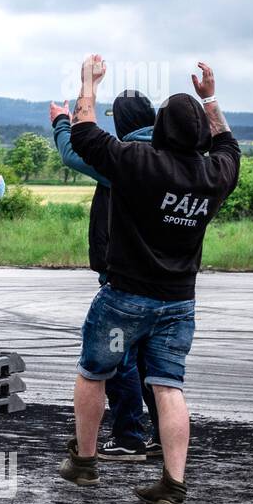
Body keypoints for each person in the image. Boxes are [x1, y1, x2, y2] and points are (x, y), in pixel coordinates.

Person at [57, 56, 240, 504]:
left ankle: (84, 461)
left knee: (94, 371)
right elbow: (228, 144)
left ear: (160, 130)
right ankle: (172, 484)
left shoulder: (136, 162)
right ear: (199, 133)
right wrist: (210, 98)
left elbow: (82, 135)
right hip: (179, 301)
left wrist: (88, 84)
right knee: (168, 385)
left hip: (124, 298)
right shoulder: (215, 174)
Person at [51, 90, 161, 461]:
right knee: (154, 363)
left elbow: (72, 153)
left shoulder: (124, 160)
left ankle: (129, 436)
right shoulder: (172, 158)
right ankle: (162, 434)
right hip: (164, 280)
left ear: (124, 122)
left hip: (122, 278)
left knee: (119, 358)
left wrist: (61, 122)